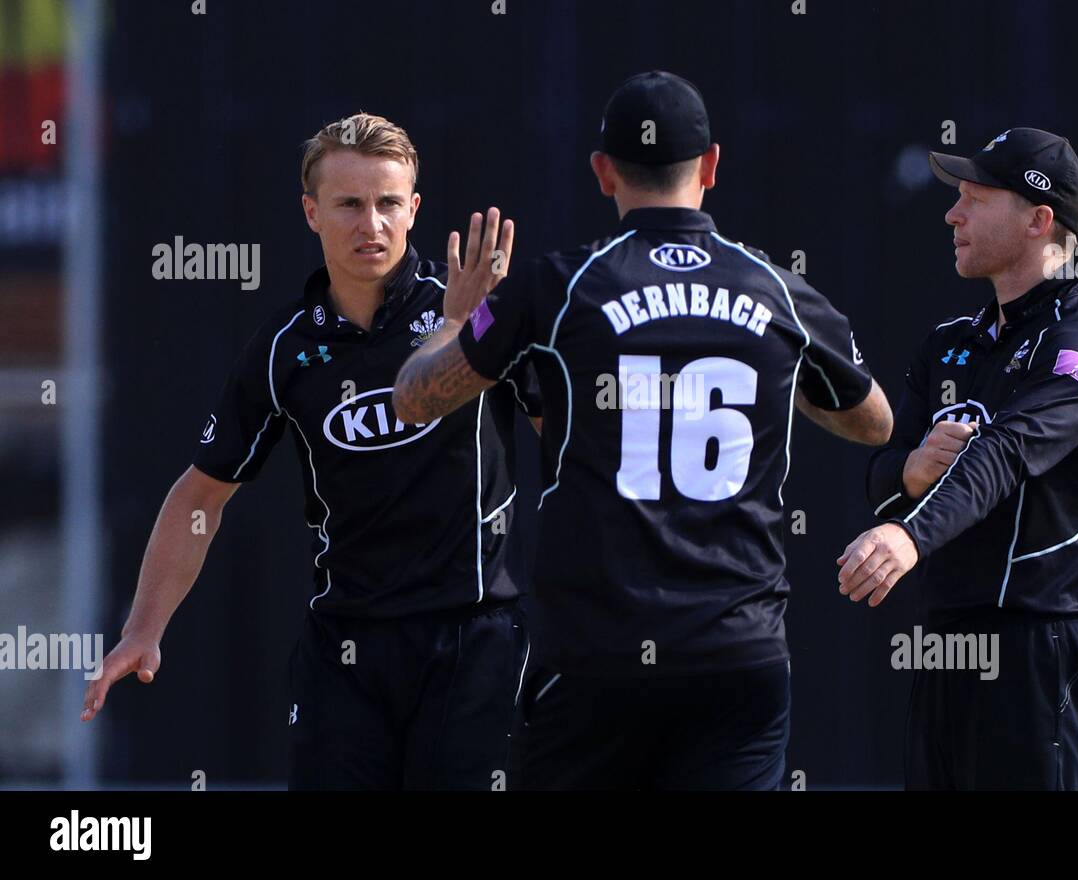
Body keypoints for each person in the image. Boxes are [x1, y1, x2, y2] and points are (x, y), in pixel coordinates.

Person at [393, 71, 893, 790]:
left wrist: (452, 320)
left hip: (596, 658)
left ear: (602, 172)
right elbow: (873, 421)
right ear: (712, 166)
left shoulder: (555, 287)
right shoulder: (777, 289)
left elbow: (415, 400)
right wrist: (782, 371)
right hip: (736, 656)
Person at [82, 113, 538, 790]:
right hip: (346, 647)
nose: (371, 225)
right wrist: (142, 629)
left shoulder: (471, 313)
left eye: (388, 204)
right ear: (310, 212)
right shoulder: (285, 350)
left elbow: (567, 436)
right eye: (349, 204)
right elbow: (200, 494)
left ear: (414, 210)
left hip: (473, 641)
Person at [839, 127, 1078, 790]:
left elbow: (1001, 456)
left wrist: (909, 535)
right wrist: (912, 471)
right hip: (945, 641)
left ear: (1038, 220)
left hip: (1040, 648)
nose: (953, 213)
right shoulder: (950, 344)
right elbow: (885, 472)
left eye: (975, 197)